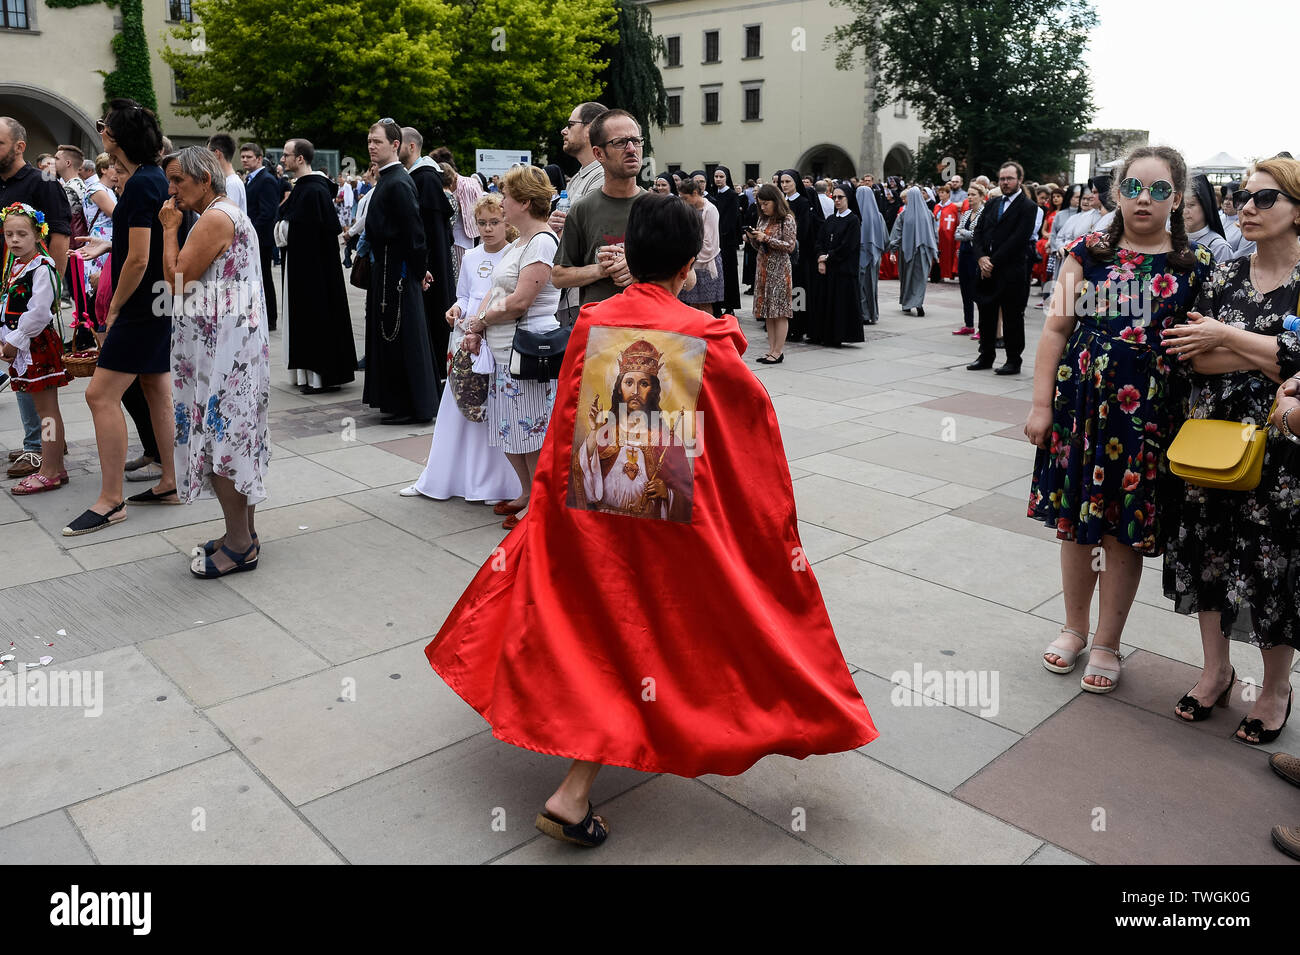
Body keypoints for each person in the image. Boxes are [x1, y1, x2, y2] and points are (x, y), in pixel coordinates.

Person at [424, 192, 878, 847]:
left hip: (594, 503)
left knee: (604, 629)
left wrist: (548, 502)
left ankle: (575, 784)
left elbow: (566, 423)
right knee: (645, 633)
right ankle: (572, 790)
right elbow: (751, 431)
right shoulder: (704, 335)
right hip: (665, 513)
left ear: (627, 258)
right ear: (690, 267)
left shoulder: (595, 320)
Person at [1028, 145, 1213, 691]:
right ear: (1116, 192)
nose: (1143, 200)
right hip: (1080, 411)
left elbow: (1206, 347)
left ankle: (1108, 642)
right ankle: (1074, 629)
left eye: (1159, 190)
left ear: (1177, 198)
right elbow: (1055, 330)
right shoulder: (1086, 253)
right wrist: (1040, 406)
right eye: (1133, 187)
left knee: (1123, 532)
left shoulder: (1196, 267)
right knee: (1077, 527)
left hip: (1149, 418)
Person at [1159, 157, 1300, 742]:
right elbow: (1193, 357)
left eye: (1264, 199)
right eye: (1243, 196)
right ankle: (1215, 671)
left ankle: (1274, 690)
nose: (1246, 207)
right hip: (1211, 441)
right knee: (1209, 554)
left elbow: (1223, 347)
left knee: (1273, 567)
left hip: (1282, 453)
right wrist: (1270, 350)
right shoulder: (1223, 274)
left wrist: (1227, 337)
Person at [64, 99, 177, 536]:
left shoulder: (144, 183)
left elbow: (139, 259)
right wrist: (108, 244)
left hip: (141, 306)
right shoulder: (147, 180)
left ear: (114, 136)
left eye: (103, 126)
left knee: (100, 396)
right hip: (155, 301)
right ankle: (170, 480)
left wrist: (111, 309)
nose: (100, 131)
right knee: (155, 389)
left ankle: (112, 501)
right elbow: (135, 246)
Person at [158, 147, 270, 577]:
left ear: (205, 179)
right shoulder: (226, 214)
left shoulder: (215, 218)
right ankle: (243, 533)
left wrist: (170, 229)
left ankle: (240, 545)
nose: (172, 191)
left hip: (226, 352)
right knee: (236, 438)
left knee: (222, 439)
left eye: (178, 182)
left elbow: (177, 281)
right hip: (229, 345)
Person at [401, 193, 521, 505]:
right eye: (482, 223)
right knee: (458, 406)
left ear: (506, 222)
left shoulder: (514, 255)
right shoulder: (470, 257)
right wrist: (455, 309)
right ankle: (444, 475)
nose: (488, 228)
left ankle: (494, 482)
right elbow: (466, 296)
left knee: (491, 411)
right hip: (467, 340)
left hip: (495, 342)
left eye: (494, 222)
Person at [460, 164, 560, 530]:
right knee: (510, 429)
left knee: (529, 429)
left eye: (507, 195)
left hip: (529, 350)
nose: (502, 201)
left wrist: (481, 321)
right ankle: (527, 492)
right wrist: (478, 323)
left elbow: (521, 301)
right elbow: (497, 290)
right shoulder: (521, 241)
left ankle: (538, 502)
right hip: (504, 350)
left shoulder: (542, 242)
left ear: (525, 202)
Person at [0, 117, 72, 482]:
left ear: (19, 146)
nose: (13, 238)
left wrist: (49, 284)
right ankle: (44, 446)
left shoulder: (42, 182)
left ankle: (44, 455)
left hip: (33, 314)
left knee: (43, 399)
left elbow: (59, 233)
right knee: (26, 386)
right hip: (12, 296)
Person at [360, 119, 437, 425]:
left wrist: (419, 271)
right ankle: (396, 400)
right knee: (391, 336)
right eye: (369, 141)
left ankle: (410, 405)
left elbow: (415, 234)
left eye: (377, 141)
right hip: (390, 269)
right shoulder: (388, 179)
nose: (371, 146)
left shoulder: (399, 182)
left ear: (395, 145)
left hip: (399, 274)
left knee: (402, 336)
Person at [274, 138, 357, 393]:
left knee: (316, 317)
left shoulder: (313, 190)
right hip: (305, 267)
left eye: (286, 155)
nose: (282, 160)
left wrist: (284, 229)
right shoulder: (306, 188)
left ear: (300, 159)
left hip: (314, 272)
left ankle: (320, 376)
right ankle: (311, 375)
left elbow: (305, 228)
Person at [552, 109, 643, 310]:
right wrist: (601, 270)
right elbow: (558, 276)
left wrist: (639, 267)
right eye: (620, 142)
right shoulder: (582, 209)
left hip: (650, 330)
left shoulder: (660, 209)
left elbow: (689, 278)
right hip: (598, 332)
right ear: (598, 153)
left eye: (636, 141)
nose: (631, 149)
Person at [967, 161, 1037, 375]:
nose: (1005, 182)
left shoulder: (1028, 207)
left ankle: (1013, 360)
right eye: (1002, 179)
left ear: (1019, 180)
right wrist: (980, 258)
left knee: (1012, 316)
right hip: (987, 269)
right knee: (986, 314)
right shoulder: (992, 203)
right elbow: (977, 232)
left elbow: (1018, 239)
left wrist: (992, 261)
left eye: (1009, 179)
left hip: (1011, 271)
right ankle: (986, 355)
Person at [400, 128, 456, 390]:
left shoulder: (426, 178)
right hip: (425, 264)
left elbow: (433, 233)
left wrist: (426, 267)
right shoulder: (418, 177)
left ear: (411, 146)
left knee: (435, 315)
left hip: (433, 267)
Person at [550, 101, 608, 326]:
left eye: (570, 124)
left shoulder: (602, 177)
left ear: (590, 128)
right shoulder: (578, 177)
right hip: (571, 293)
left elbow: (589, 236)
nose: (564, 131)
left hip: (586, 298)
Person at [745, 183, 797, 363]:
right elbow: (759, 246)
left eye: (766, 203)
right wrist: (753, 239)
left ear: (775, 201)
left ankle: (778, 350)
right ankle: (771, 350)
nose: (763, 207)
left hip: (779, 270)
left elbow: (789, 246)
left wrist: (765, 237)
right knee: (768, 310)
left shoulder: (787, 219)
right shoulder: (763, 219)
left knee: (779, 311)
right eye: (760, 204)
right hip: (763, 268)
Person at [810, 182, 864, 346]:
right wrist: (820, 256)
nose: (837, 200)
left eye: (841, 197)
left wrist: (828, 257)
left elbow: (848, 246)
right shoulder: (831, 219)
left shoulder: (853, 220)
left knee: (840, 304)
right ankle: (823, 334)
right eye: (835, 197)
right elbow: (819, 240)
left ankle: (838, 336)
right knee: (825, 301)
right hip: (827, 268)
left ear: (848, 199)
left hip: (843, 270)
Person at [242, 142, 279, 331]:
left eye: (248, 157)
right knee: (258, 278)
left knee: (264, 277)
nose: (244, 160)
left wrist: (249, 233)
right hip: (255, 237)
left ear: (259, 158)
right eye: (242, 157)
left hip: (261, 239)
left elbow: (267, 213)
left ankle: (271, 318)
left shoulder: (266, 180)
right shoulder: (251, 179)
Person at [887, 186, 938, 316]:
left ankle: (907, 304)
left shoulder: (903, 215)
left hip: (907, 252)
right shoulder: (929, 214)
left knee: (906, 278)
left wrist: (892, 250)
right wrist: (935, 250)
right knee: (920, 280)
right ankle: (918, 303)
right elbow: (934, 234)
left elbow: (897, 234)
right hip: (924, 252)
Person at [677, 178, 721, 312]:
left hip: (705, 262)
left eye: (685, 198)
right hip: (690, 261)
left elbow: (709, 242)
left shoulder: (710, 210)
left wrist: (688, 251)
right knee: (692, 303)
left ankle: (706, 332)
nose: (683, 202)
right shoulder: (687, 209)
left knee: (705, 303)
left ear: (695, 193)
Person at [953, 183, 987, 335]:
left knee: (977, 290)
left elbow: (981, 235)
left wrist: (965, 234)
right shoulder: (966, 213)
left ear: (981, 196)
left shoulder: (984, 213)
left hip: (976, 255)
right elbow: (956, 233)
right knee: (965, 289)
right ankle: (968, 324)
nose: (970, 198)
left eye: (973, 195)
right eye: (968, 194)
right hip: (964, 253)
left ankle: (982, 327)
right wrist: (967, 233)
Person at [709, 165, 742, 316]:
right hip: (714, 239)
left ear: (726, 178)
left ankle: (730, 305)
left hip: (726, 240)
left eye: (721, 177)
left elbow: (731, 219)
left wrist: (720, 233)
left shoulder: (732, 195)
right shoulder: (713, 194)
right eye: (716, 177)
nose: (718, 179)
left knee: (728, 272)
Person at [856, 176, 887, 326]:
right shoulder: (878, 216)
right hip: (874, 257)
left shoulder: (854, 215)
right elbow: (885, 239)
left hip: (858, 256)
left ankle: (863, 313)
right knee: (871, 286)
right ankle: (872, 313)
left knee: (860, 286)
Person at [1183, 173, 1235, 265]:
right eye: (1181, 205)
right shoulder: (1171, 238)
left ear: (1205, 206)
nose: (1185, 211)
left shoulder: (1219, 247)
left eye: (1191, 205)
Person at [206, 134, 246, 215]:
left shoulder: (232, 184)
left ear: (217, 153)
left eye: (208, 153)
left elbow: (226, 217)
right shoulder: (229, 182)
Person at [933, 185, 960, 280]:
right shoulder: (937, 206)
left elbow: (955, 221)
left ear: (948, 194)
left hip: (947, 235)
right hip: (937, 234)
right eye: (939, 192)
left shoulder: (952, 207)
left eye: (943, 192)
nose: (940, 194)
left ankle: (946, 273)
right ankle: (937, 274)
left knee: (946, 254)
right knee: (936, 254)